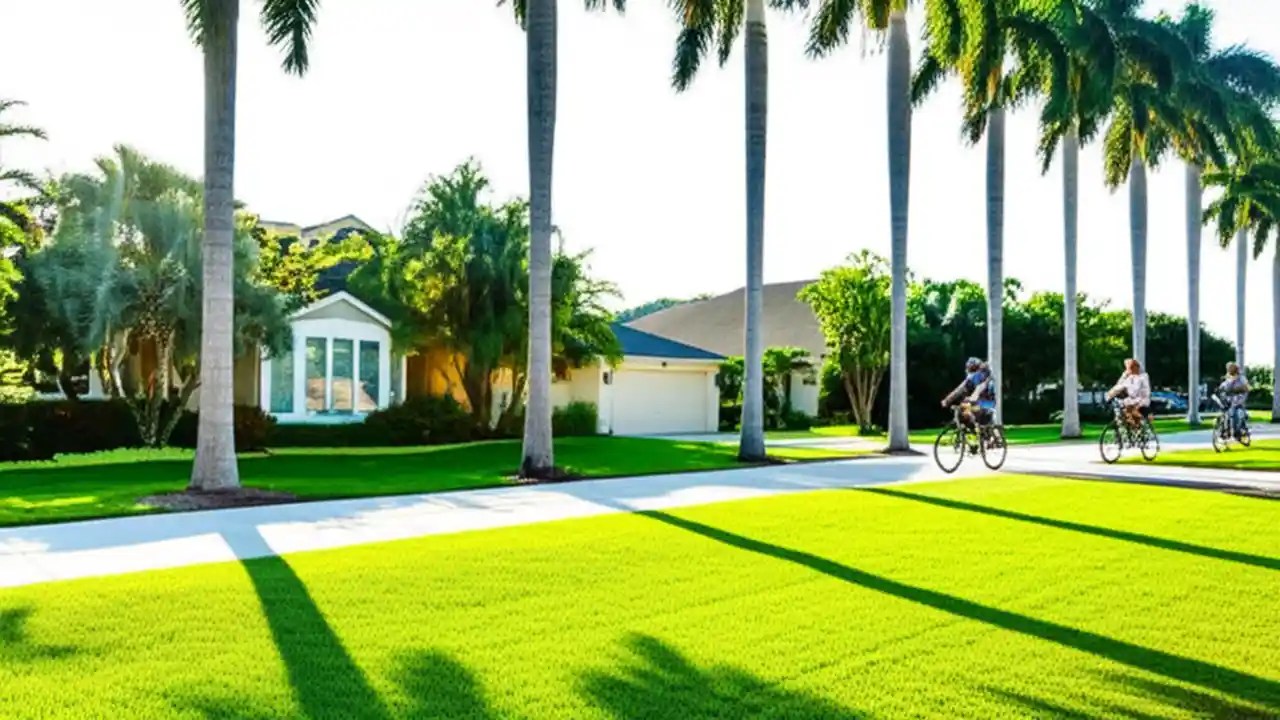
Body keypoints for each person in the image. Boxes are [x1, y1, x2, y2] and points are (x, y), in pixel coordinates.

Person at [942, 357, 997, 427]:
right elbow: (962, 389)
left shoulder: (979, 376)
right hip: (985, 404)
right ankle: (975, 427)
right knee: (966, 408)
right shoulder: (981, 375)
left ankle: (974, 426)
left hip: (984, 404)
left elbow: (977, 389)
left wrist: (947, 400)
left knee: (965, 406)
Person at [1105, 358, 1151, 428]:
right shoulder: (1131, 376)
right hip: (1132, 399)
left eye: (1130, 368)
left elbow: (1134, 391)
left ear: (1136, 367)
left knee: (1127, 407)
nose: (1129, 370)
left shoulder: (1143, 377)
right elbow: (1119, 385)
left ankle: (1136, 426)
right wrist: (1124, 376)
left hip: (1141, 400)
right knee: (1120, 408)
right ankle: (1127, 427)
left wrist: (1125, 388)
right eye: (1128, 368)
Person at [1217, 362, 1250, 438]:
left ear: (1235, 369)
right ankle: (1224, 430)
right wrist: (1219, 389)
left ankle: (1237, 431)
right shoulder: (1227, 378)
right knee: (1224, 412)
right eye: (1228, 368)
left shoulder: (1241, 378)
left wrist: (1238, 389)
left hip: (1238, 399)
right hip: (1229, 400)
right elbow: (1223, 386)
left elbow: (1247, 388)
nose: (1229, 369)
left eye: (1230, 368)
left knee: (1235, 413)